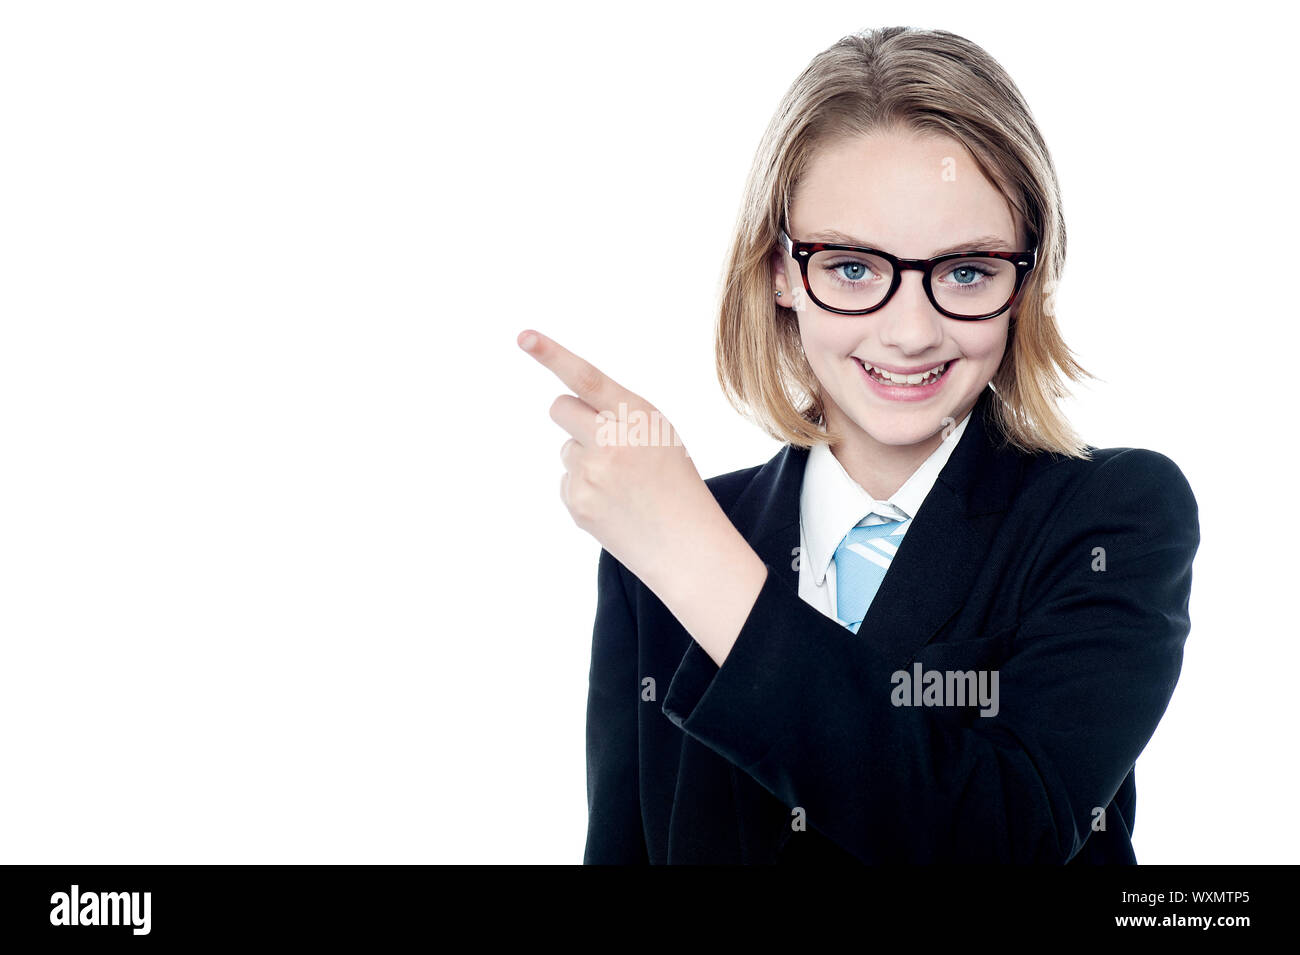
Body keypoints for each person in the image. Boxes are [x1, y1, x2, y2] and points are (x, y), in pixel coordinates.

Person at [518, 25, 1199, 863]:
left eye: (966, 272)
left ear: (1026, 284)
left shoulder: (1112, 515)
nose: (911, 332)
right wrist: (675, 546)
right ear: (778, 270)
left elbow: (1004, 836)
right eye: (850, 269)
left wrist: (700, 563)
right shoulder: (659, 543)